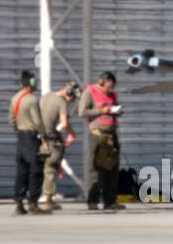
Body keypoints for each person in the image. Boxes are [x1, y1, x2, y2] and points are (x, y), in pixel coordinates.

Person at [80, 71, 123, 211]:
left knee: (112, 168)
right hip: (97, 135)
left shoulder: (112, 94)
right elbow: (82, 112)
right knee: (95, 169)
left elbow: (113, 107)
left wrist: (117, 111)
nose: (111, 90)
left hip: (111, 135)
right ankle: (92, 201)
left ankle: (110, 201)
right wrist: (102, 110)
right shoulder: (89, 92)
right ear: (102, 82)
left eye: (113, 87)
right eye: (109, 86)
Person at [9, 70, 46, 215]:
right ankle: (33, 203)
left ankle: (19, 203)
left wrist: (19, 130)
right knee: (36, 171)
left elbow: (11, 121)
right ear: (30, 83)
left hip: (21, 138)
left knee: (21, 171)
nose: (36, 83)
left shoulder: (15, 98)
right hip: (32, 138)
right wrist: (44, 136)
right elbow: (38, 122)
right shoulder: (32, 99)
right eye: (34, 81)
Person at [38, 79, 79, 211]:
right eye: (72, 99)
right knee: (51, 167)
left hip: (41, 138)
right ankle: (49, 199)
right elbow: (65, 123)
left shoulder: (47, 96)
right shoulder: (61, 102)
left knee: (44, 167)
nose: (71, 101)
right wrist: (71, 134)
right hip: (51, 139)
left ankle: (41, 194)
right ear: (69, 93)